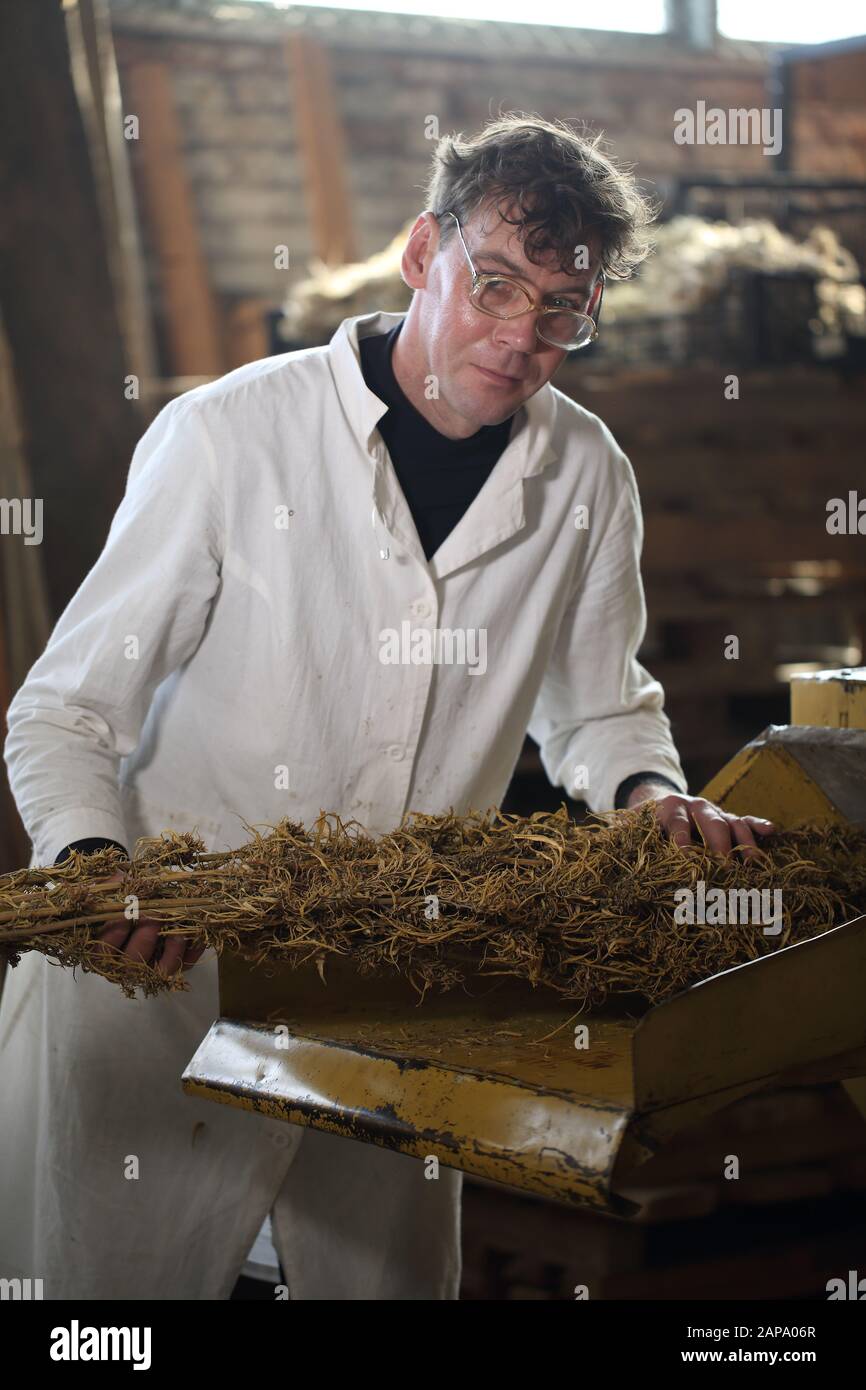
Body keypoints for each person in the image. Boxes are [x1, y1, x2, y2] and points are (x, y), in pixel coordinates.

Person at [0, 113, 773, 1301]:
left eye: (559, 310)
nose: (518, 337)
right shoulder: (229, 436)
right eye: (494, 284)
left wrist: (649, 793)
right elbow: (63, 710)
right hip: (158, 971)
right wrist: (99, 866)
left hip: (388, 988)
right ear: (422, 254)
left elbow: (602, 709)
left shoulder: (585, 474)